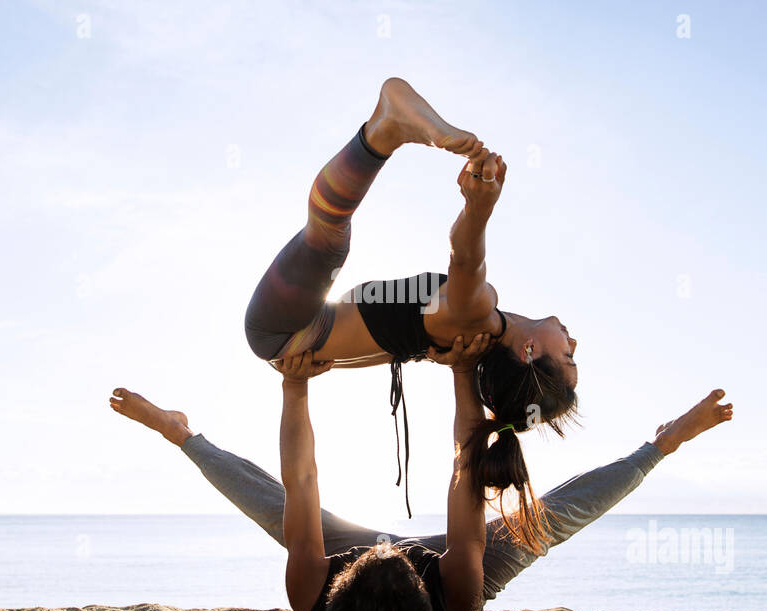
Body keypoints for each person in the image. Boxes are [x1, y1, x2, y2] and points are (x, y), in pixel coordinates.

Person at [108, 355, 733, 611]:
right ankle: (662, 445)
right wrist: (462, 370)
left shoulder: (312, 592)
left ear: (346, 577)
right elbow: (465, 475)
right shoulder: (455, 598)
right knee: (550, 521)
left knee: (281, 512)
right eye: (398, 558)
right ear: (413, 573)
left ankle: (180, 432)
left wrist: (294, 385)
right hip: (464, 563)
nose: (393, 547)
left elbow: (300, 480)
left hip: (362, 567)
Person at [243, 77, 579, 543]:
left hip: (286, 328)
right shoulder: (465, 341)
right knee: (328, 240)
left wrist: (479, 208)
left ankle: (386, 130)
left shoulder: (478, 315)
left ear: (528, 350)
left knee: (328, 237)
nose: (573, 342)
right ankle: (386, 128)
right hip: (291, 339)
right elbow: (388, 335)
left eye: (568, 356)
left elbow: (466, 259)